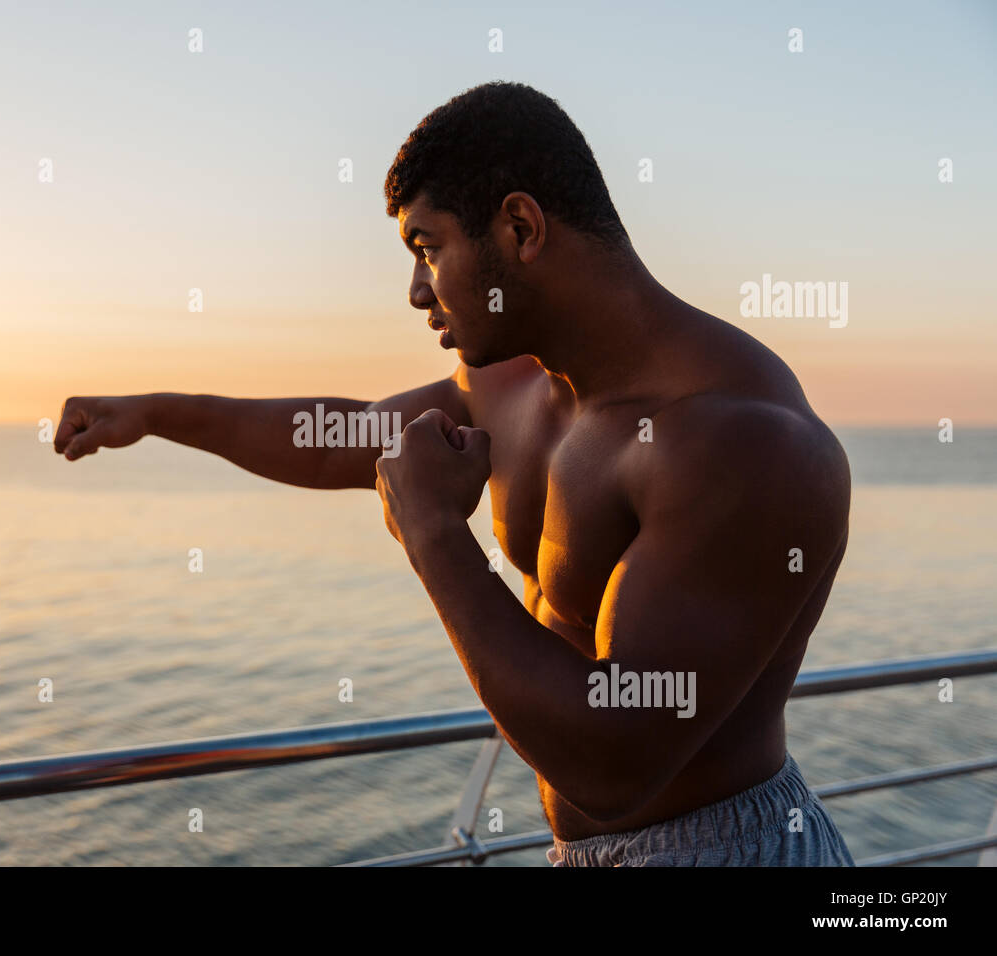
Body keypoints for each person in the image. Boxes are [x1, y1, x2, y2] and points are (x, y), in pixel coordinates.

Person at [54, 81, 856, 866]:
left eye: (426, 248)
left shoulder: (747, 445)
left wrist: (436, 538)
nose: (414, 291)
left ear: (519, 228)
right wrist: (158, 413)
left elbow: (616, 762)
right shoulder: (514, 388)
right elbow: (341, 435)